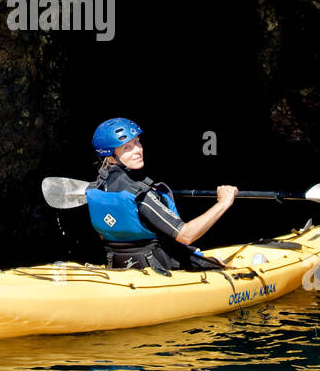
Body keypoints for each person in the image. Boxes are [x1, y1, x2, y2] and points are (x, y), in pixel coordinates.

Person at [85, 117, 238, 273]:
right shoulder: (140, 194)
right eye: (127, 147)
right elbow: (186, 235)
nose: (138, 150)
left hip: (121, 265)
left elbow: (106, 235)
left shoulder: (95, 189)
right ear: (110, 156)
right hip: (159, 269)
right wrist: (223, 203)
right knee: (226, 267)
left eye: (137, 142)